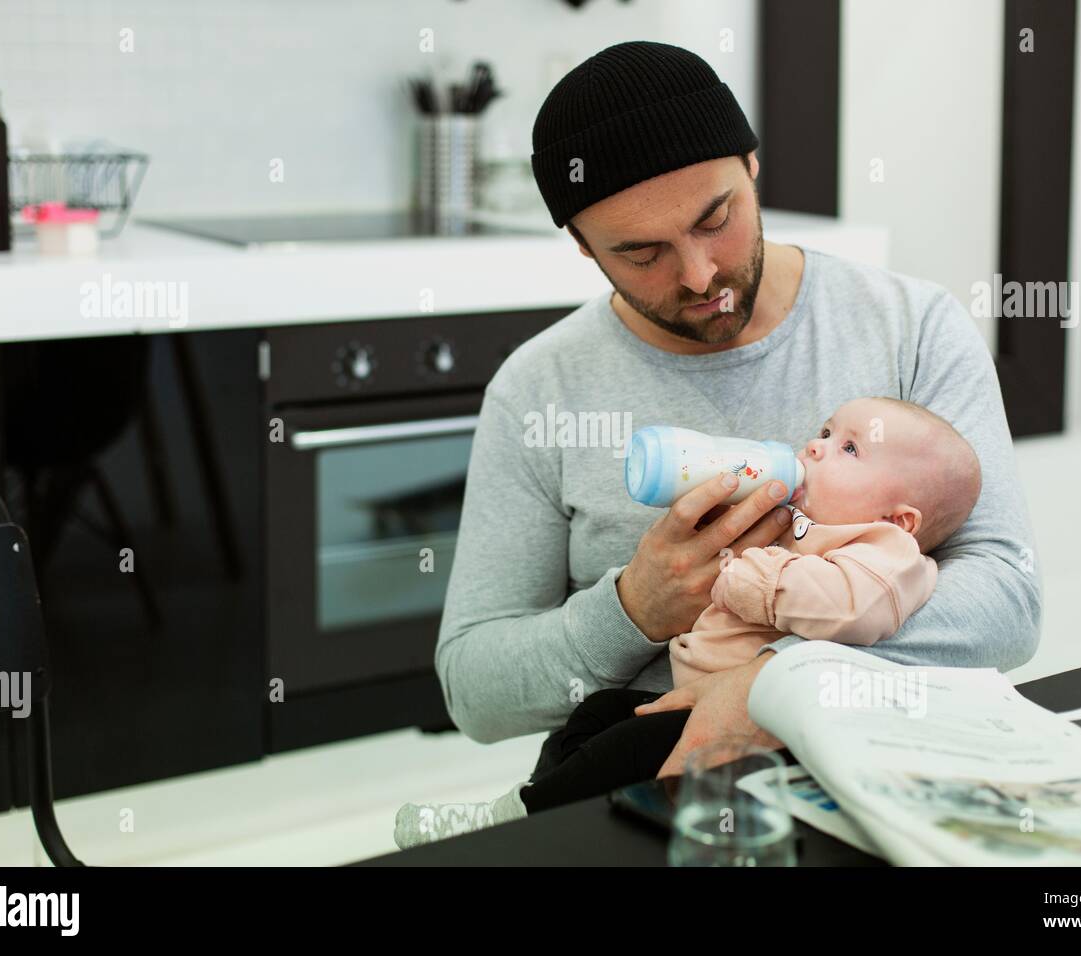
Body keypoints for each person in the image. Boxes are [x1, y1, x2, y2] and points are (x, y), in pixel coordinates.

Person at [432, 40, 1040, 814]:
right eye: (641, 252)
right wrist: (635, 608)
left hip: (881, 748)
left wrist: (777, 683)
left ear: (752, 167)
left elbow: (1008, 601)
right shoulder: (539, 388)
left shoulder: (909, 326)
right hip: (643, 765)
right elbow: (475, 692)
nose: (697, 274)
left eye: (716, 219)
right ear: (584, 248)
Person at [395, 397, 982, 846]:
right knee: (593, 716)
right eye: (826, 432)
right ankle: (531, 810)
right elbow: (471, 690)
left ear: (902, 518)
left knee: (621, 750)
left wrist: (748, 576)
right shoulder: (802, 518)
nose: (817, 447)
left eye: (851, 449)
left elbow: (852, 607)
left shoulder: (883, 550)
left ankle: (514, 827)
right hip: (685, 697)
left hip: (763, 730)